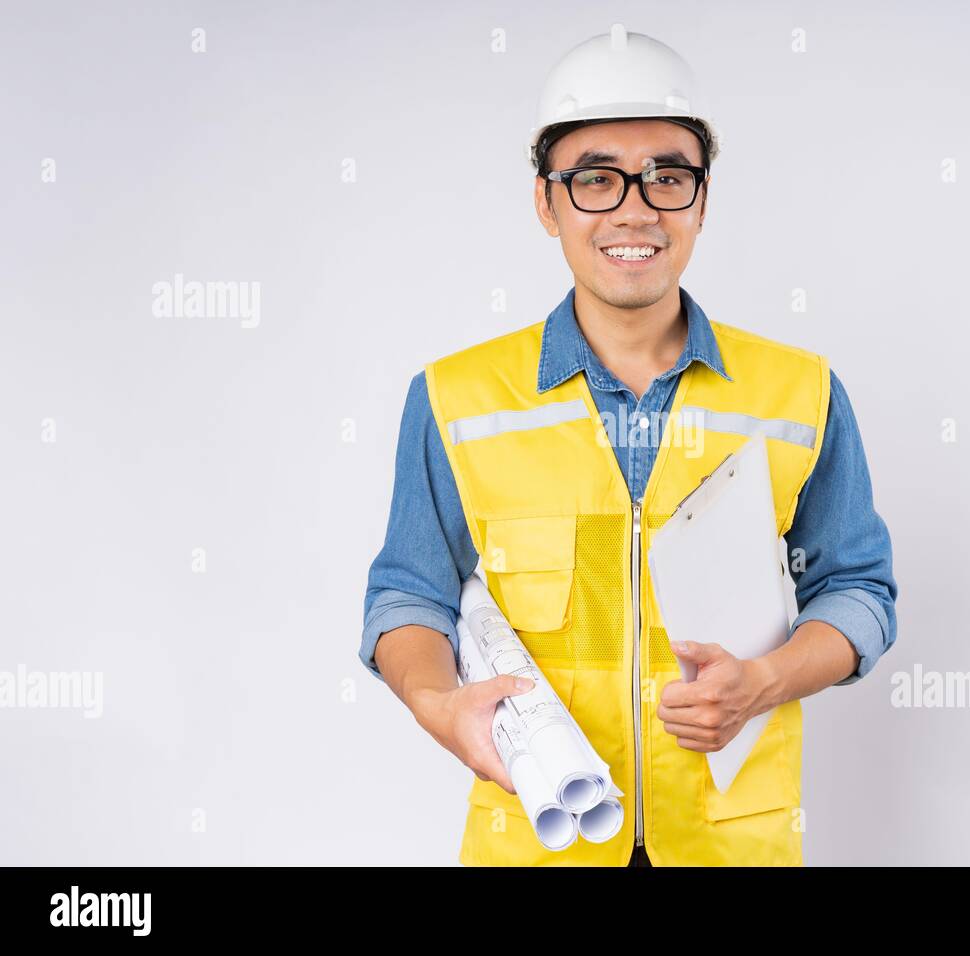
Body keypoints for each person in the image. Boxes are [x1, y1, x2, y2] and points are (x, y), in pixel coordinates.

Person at [360, 24, 898, 867]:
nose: (636, 210)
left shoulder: (801, 392)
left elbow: (858, 590)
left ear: (703, 198)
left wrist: (764, 682)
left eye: (668, 178)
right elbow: (408, 596)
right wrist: (438, 706)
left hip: (731, 845)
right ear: (546, 202)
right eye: (596, 181)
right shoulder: (454, 398)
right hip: (543, 835)